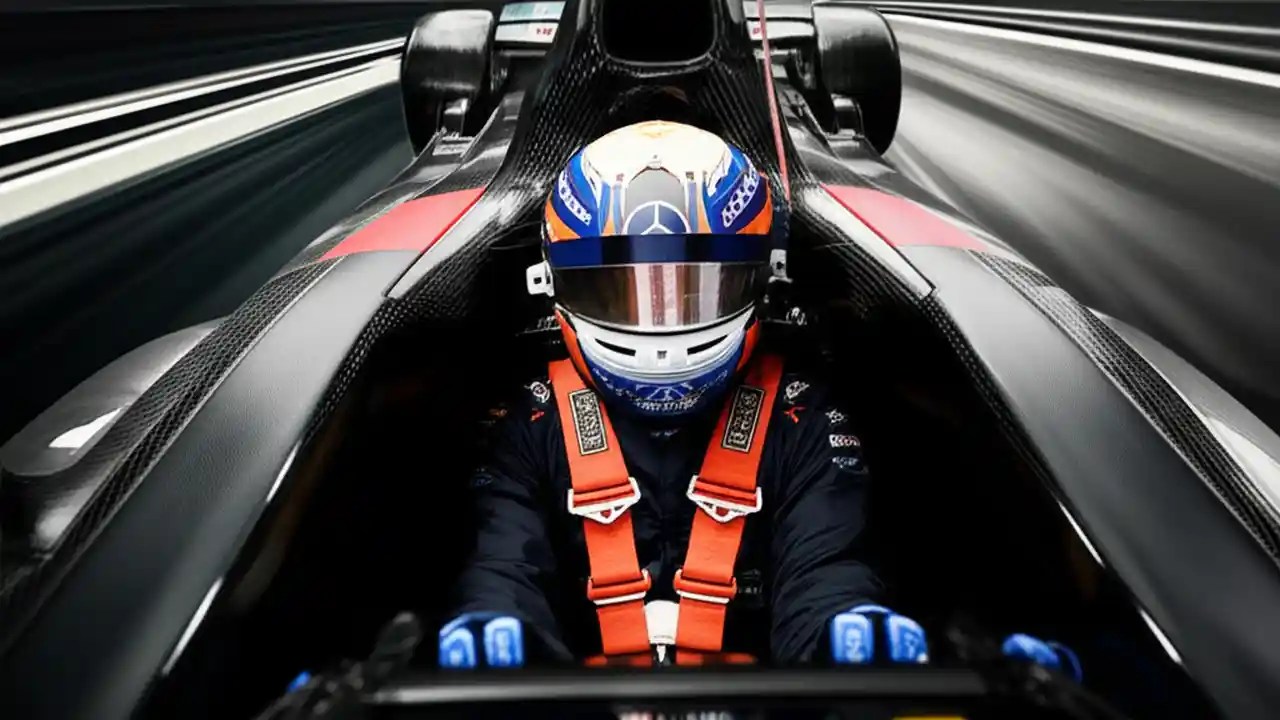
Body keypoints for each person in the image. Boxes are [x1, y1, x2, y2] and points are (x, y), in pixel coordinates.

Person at [437, 121, 1079, 674]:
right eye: (622, 292)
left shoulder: (801, 414)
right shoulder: (529, 418)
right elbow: (502, 565)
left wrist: (845, 639)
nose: (662, 330)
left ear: (762, 281)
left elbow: (828, 567)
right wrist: (499, 635)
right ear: (552, 288)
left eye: (695, 290)